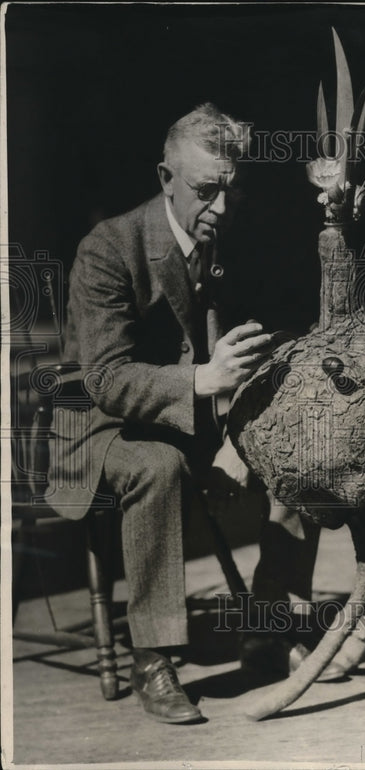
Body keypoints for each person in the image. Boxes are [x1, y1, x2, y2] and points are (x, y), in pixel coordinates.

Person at [47, 103, 319, 725]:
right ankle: (153, 658)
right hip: (101, 427)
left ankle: (269, 620)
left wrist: (241, 435)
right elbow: (106, 378)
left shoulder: (226, 234)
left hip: (193, 415)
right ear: (165, 177)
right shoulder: (108, 248)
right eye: (205, 190)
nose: (221, 207)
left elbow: (259, 348)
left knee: (298, 442)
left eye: (232, 189)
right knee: (160, 465)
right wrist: (205, 380)